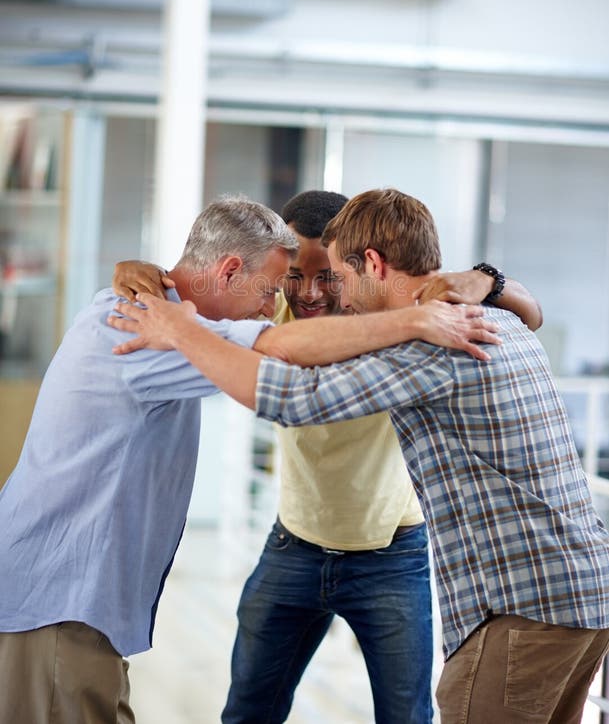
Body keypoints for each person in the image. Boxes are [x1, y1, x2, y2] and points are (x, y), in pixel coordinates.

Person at [109, 188, 609, 724]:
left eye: (340, 279)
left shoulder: (434, 343)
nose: (339, 298)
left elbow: (296, 398)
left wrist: (179, 330)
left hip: (513, 599)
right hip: (577, 593)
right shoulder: (491, 316)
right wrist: (142, 272)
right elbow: (212, 285)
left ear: (371, 263)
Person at [0, 194, 499, 724]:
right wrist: (418, 321)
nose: (273, 304)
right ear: (231, 270)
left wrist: (485, 280)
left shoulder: (157, 317)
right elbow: (280, 348)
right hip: (59, 599)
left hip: (74, 601)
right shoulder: (143, 328)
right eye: (269, 291)